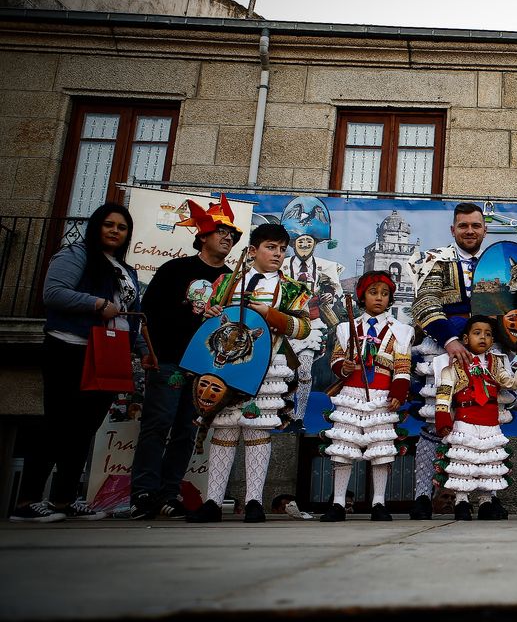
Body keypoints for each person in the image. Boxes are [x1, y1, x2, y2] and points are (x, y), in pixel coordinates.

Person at [10, 203, 154, 523]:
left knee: (84, 429)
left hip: (109, 355)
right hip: (69, 348)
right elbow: (54, 293)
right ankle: (28, 501)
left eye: (122, 227)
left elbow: (131, 316)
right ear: (96, 227)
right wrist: (96, 303)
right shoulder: (75, 255)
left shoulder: (125, 270)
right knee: (57, 423)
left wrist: (144, 350)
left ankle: (64, 500)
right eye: (109, 224)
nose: (115, 231)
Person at [186, 223, 311, 523]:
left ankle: (254, 500)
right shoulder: (226, 281)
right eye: (271, 247)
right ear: (253, 251)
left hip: (267, 365)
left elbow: (303, 328)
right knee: (224, 427)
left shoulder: (294, 288)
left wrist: (272, 315)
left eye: (283, 249)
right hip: (224, 364)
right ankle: (212, 501)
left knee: (257, 429)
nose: (278, 254)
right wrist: (210, 312)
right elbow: (208, 315)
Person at [129, 196, 238, 520]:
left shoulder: (234, 281)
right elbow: (148, 312)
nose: (228, 238)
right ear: (203, 236)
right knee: (156, 425)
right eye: (221, 231)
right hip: (169, 360)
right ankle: (143, 493)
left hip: (206, 369)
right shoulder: (175, 269)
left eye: (232, 234)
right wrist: (148, 351)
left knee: (186, 432)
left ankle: (169, 493)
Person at [409, 202, 488, 520]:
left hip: (483, 353)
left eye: (476, 225)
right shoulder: (437, 260)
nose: (470, 230)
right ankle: (421, 497)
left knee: (484, 425)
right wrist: (450, 339)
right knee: (433, 423)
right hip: (443, 349)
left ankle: (483, 498)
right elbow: (424, 301)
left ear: (484, 229)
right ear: (453, 229)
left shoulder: (495, 262)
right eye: (464, 225)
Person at [319, 271, 413, 522]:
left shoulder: (401, 331)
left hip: (382, 395)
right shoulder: (345, 329)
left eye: (384, 294)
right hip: (350, 393)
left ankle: (379, 502)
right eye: (373, 293)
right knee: (343, 448)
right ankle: (338, 502)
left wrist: (398, 392)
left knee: (381, 449)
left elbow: (403, 366)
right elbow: (335, 359)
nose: (379, 298)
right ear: (362, 297)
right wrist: (343, 367)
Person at [433, 316, 517, 520]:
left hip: (490, 423)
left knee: (488, 464)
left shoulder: (496, 363)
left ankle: (486, 502)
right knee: (464, 463)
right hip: (464, 421)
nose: (483, 338)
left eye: (488, 334)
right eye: (477, 333)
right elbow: (444, 395)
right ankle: (461, 502)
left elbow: (512, 383)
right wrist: (442, 418)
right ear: (465, 338)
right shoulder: (452, 365)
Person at [281, 196, 344, 430]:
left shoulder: (326, 266)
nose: (304, 246)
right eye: (301, 242)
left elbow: (335, 289)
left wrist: (329, 294)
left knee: (305, 370)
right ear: (294, 243)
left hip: (312, 323)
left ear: (315, 244)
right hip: (286, 324)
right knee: (286, 372)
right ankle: (285, 412)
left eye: (308, 243)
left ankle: (299, 416)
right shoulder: (283, 266)